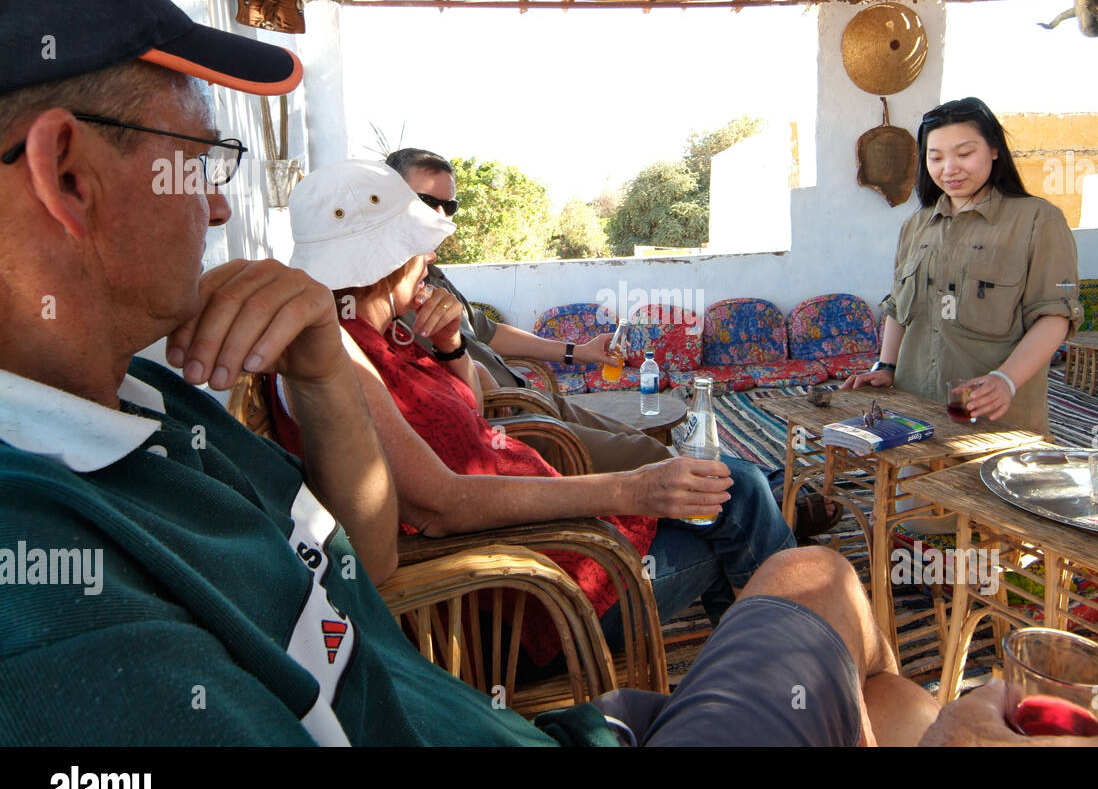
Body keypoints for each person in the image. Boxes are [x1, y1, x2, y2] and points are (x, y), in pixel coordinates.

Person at [0, 0, 1098, 748]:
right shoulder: (54, 614)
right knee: (811, 578)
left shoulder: (149, 408)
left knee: (831, 607)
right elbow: (441, 505)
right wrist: (628, 487)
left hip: (534, 704)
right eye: (201, 154)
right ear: (69, 175)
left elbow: (367, 560)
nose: (214, 201)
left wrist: (319, 372)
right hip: (541, 606)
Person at [272, 160, 795, 668]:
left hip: (544, 534)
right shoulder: (342, 357)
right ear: (380, 261)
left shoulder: (386, 334)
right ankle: (786, 655)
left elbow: (471, 415)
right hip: (527, 591)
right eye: (414, 246)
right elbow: (439, 503)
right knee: (739, 499)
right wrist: (631, 489)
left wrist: (452, 343)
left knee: (731, 493)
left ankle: (759, 656)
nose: (428, 259)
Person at [384, 147, 673, 474]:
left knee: (643, 440)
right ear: (389, 199)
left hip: (531, 398)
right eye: (426, 202)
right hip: (514, 425)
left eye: (449, 206)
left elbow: (489, 334)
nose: (440, 215)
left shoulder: (432, 276)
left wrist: (579, 352)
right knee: (655, 459)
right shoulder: (386, 298)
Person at [844, 97, 1083, 436]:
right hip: (915, 416)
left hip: (996, 422)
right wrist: (887, 366)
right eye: (936, 157)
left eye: (964, 154)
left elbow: (1055, 314)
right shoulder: (917, 225)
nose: (949, 168)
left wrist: (1006, 380)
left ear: (994, 150)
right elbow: (900, 307)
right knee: (912, 488)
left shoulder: (1037, 220)